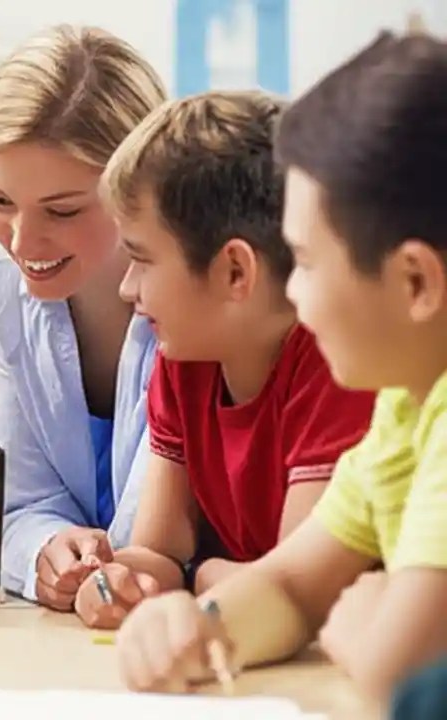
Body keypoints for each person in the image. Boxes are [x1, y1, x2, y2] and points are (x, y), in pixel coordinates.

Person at [116, 33, 447, 704]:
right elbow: (294, 586)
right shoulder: (405, 406)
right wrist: (198, 626)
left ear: (415, 282)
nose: (292, 294)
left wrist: (361, 623)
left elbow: (400, 669)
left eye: (308, 263)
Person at [69, 91, 374, 630]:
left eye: (141, 258)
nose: (126, 287)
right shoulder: (184, 354)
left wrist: (203, 573)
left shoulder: (335, 365)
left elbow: (295, 591)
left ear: (235, 272)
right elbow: (160, 554)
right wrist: (114, 581)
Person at [0, 25, 167, 609]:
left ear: (141, 188)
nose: (22, 240)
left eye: (62, 209)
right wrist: (45, 550)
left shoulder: (195, 295)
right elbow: (21, 501)